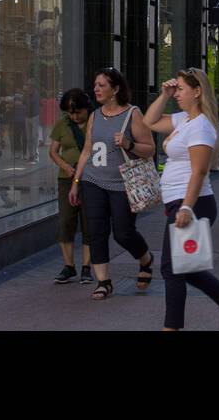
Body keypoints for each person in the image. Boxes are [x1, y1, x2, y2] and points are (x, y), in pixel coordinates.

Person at [145, 68, 219, 330]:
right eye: (177, 88)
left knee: (172, 269)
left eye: (181, 89)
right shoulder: (184, 119)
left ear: (197, 91)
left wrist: (185, 207)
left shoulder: (202, 127)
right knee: (185, 269)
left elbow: (200, 171)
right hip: (181, 202)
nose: (177, 93)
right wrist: (164, 95)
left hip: (192, 203)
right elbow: (149, 122)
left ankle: (171, 327)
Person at [68, 67, 156, 300]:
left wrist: (128, 144)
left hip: (122, 184)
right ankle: (104, 282)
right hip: (93, 181)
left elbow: (150, 149)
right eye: (95, 85)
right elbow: (87, 151)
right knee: (96, 232)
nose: (96, 89)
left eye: (102, 85)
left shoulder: (132, 114)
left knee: (123, 233)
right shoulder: (94, 116)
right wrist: (76, 182)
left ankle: (145, 259)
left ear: (115, 89)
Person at [50, 88, 94, 285]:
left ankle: (87, 267)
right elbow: (53, 151)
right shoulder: (63, 124)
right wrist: (66, 166)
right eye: (70, 112)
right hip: (66, 179)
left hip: (91, 178)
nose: (74, 116)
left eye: (78, 112)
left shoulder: (96, 121)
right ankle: (69, 266)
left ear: (86, 108)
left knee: (89, 222)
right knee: (66, 221)